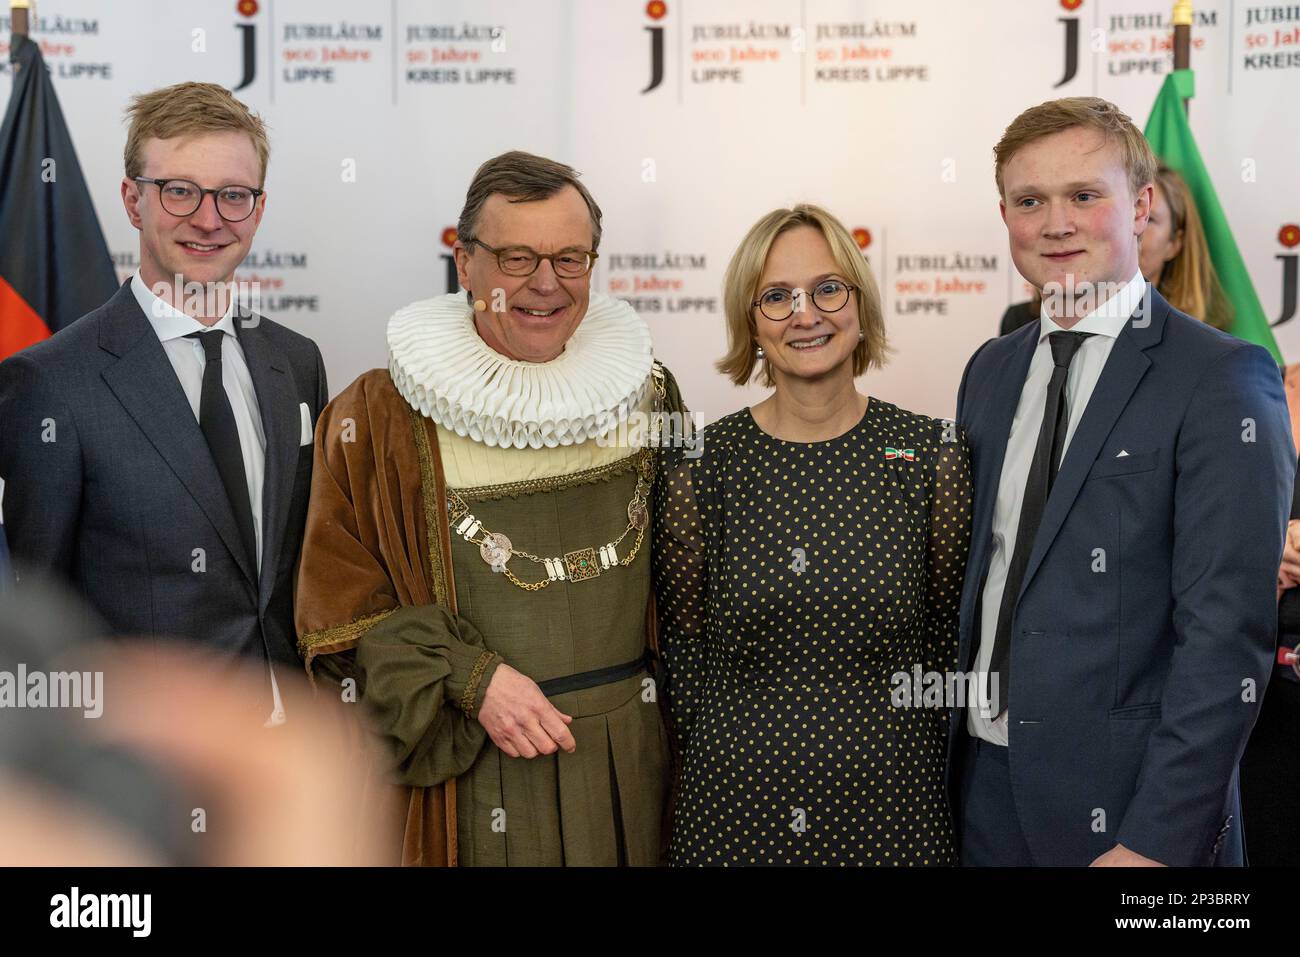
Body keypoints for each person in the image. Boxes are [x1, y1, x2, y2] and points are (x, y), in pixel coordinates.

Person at [295, 151, 689, 866]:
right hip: (468, 785)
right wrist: (469, 679)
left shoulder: (651, 396)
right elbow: (336, 633)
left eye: (570, 258)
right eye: (517, 258)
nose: (546, 283)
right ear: (464, 263)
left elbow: (691, 597)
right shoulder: (375, 417)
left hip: (631, 772)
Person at [951, 96, 1294, 867]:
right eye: (1029, 200)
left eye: (1084, 195)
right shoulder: (990, 369)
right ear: (1004, 212)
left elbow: (1227, 640)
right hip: (980, 793)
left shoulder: (1222, 379)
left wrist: (1155, 841)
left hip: (1133, 815)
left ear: (1141, 206)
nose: (1055, 223)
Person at [654, 204, 971, 865]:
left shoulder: (935, 453)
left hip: (897, 813)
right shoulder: (698, 464)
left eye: (828, 288)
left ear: (860, 305)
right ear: (750, 320)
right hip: (734, 813)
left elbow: (948, 644)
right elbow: (682, 660)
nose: (806, 313)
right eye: (777, 296)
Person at [0, 82, 327, 723]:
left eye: (234, 195)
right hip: (143, 762)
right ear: (132, 200)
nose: (209, 219)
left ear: (258, 208)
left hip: (289, 741)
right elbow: (37, 614)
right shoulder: (51, 383)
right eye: (179, 191)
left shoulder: (296, 362)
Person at [998, 163, 1232, 335]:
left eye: (1149, 219)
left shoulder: (1209, 341)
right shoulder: (1021, 325)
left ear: (1175, 243)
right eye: (1030, 202)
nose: (1128, 227)